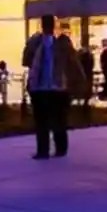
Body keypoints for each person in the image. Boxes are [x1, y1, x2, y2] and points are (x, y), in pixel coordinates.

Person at [22, 15, 86, 159]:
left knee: (51, 121)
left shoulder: (59, 44)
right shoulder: (38, 43)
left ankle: (50, 150)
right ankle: (53, 150)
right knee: (51, 120)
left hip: (52, 88)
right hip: (46, 88)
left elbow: (73, 64)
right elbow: (26, 60)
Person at [78, 41, 96, 108]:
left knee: (84, 86)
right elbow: (92, 63)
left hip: (83, 72)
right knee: (88, 87)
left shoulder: (80, 52)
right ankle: (86, 101)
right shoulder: (89, 53)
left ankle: (83, 101)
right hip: (88, 72)